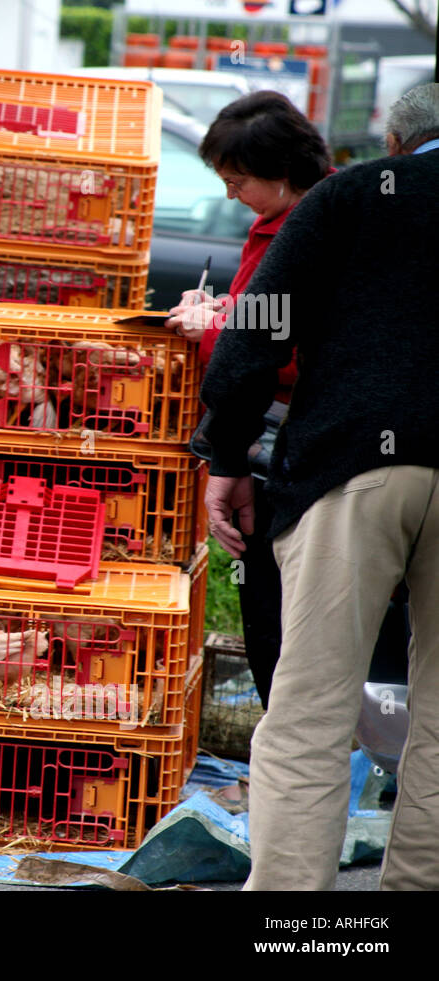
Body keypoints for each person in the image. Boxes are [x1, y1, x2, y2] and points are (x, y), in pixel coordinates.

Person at [201, 82, 439, 890]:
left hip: (353, 468)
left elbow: (250, 339)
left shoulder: (349, 199)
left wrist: (227, 456)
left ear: (396, 145)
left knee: (308, 711)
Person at [165, 91, 331, 709]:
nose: (230, 196)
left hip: (291, 447)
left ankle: (281, 779)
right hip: (270, 442)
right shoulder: (280, 221)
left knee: (278, 610)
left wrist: (214, 329)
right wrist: (223, 311)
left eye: (238, 182)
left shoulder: (316, 227)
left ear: (282, 176)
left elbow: (288, 345)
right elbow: (271, 316)